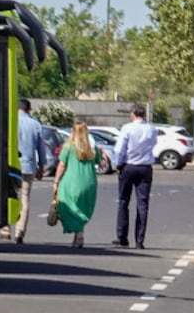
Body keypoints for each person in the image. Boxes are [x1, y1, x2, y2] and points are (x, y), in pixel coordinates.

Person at [112, 103, 157, 248]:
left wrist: (117, 164)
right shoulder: (152, 129)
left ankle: (122, 236)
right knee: (142, 204)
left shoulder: (127, 128)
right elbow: (153, 145)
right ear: (144, 115)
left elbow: (120, 149)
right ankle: (139, 240)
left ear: (132, 115)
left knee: (123, 201)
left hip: (129, 166)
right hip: (145, 167)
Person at [52, 116, 101, 247]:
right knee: (82, 208)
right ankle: (79, 235)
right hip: (89, 183)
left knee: (67, 205)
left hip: (71, 182)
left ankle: (78, 234)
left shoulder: (68, 147)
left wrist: (56, 181)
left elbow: (62, 165)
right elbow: (101, 163)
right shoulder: (92, 148)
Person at [12, 97, 52, 243]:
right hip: (28, 166)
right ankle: (19, 231)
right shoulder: (35, 124)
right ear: (29, 109)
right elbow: (41, 148)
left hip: (10, 165)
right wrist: (42, 166)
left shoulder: (10, 121)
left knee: (9, 196)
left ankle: (4, 228)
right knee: (25, 198)